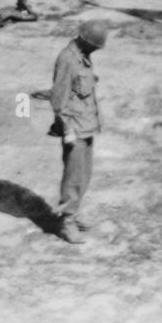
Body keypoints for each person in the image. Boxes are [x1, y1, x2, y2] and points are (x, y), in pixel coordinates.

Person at [48, 20, 111, 245]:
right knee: (73, 177)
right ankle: (66, 222)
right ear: (85, 40)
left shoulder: (83, 56)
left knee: (84, 174)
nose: (96, 50)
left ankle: (73, 213)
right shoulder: (68, 59)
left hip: (86, 125)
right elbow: (59, 97)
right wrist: (67, 129)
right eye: (95, 46)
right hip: (74, 127)